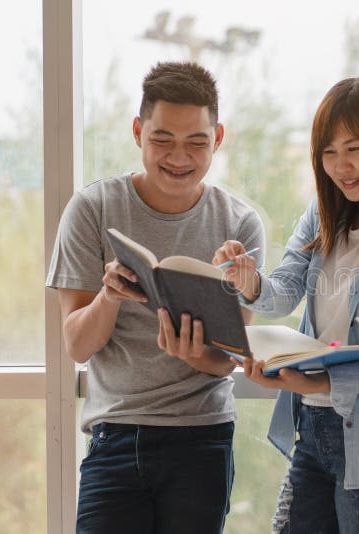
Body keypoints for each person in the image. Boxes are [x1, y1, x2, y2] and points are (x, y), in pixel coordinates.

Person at [218, 75, 359, 534]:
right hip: (315, 428)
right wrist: (250, 283)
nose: (340, 166)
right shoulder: (323, 213)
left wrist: (321, 381)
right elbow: (284, 289)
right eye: (328, 152)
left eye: (353, 148)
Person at [45, 61, 265, 534]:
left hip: (203, 436)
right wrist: (109, 296)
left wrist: (198, 355)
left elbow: (229, 359)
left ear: (219, 137)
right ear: (137, 131)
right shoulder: (93, 208)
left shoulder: (240, 225)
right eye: (162, 139)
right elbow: (77, 346)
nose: (178, 157)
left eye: (196, 142)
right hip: (115, 435)